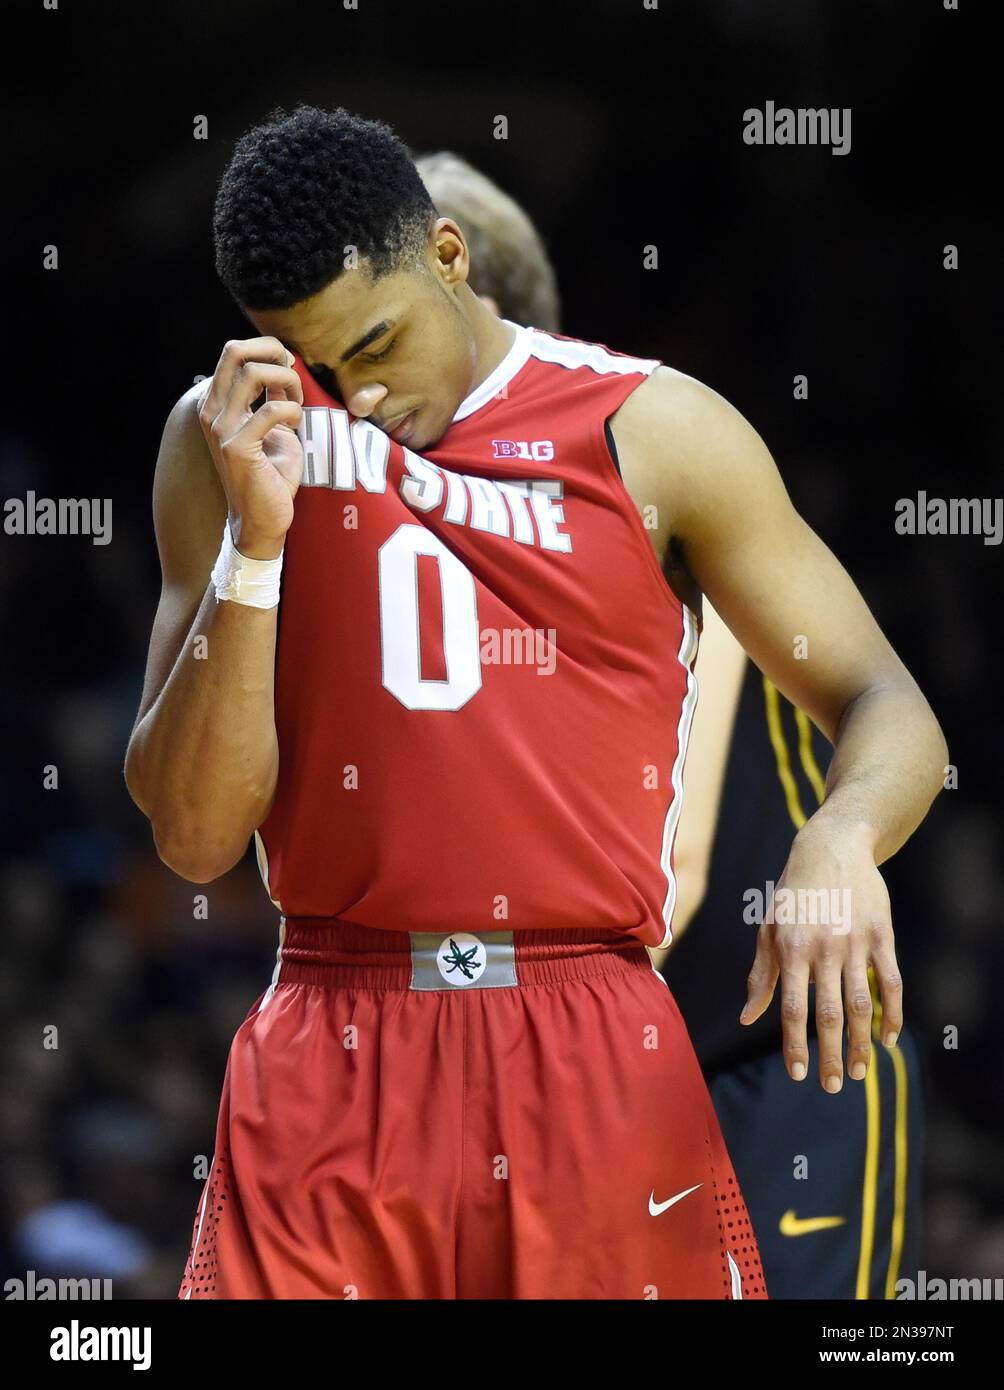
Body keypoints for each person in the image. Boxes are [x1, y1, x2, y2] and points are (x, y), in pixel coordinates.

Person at [124, 105, 946, 1300]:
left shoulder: (655, 429)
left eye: (375, 344)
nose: (354, 397)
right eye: (315, 361)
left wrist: (840, 837)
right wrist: (256, 546)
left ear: (447, 256)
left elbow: (885, 698)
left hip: (586, 1027)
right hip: (332, 1027)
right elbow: (196, 837)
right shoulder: (232, 440)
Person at [419, 150, 925, 1300]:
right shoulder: (398, 545)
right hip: (586, 1062)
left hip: (778, 1057)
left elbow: (668, 876)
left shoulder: (636, 483)